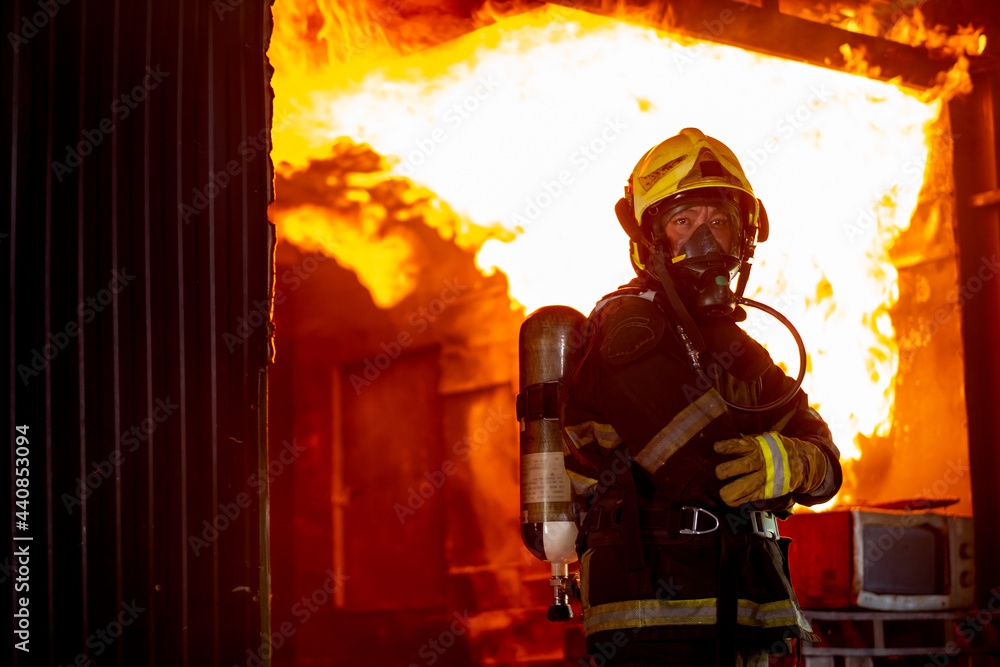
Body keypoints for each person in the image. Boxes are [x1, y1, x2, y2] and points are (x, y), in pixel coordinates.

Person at [558, 128, 842, 666]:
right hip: (657, 625)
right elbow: (706, 473)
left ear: (744, 235)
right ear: (652, 240)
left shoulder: (739, 348)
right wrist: (783, 462)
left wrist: (795, 461)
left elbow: (827, 464)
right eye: (683, 222)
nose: (705, 241)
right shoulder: (629, 326)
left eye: (718, 221)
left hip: (745, 616)